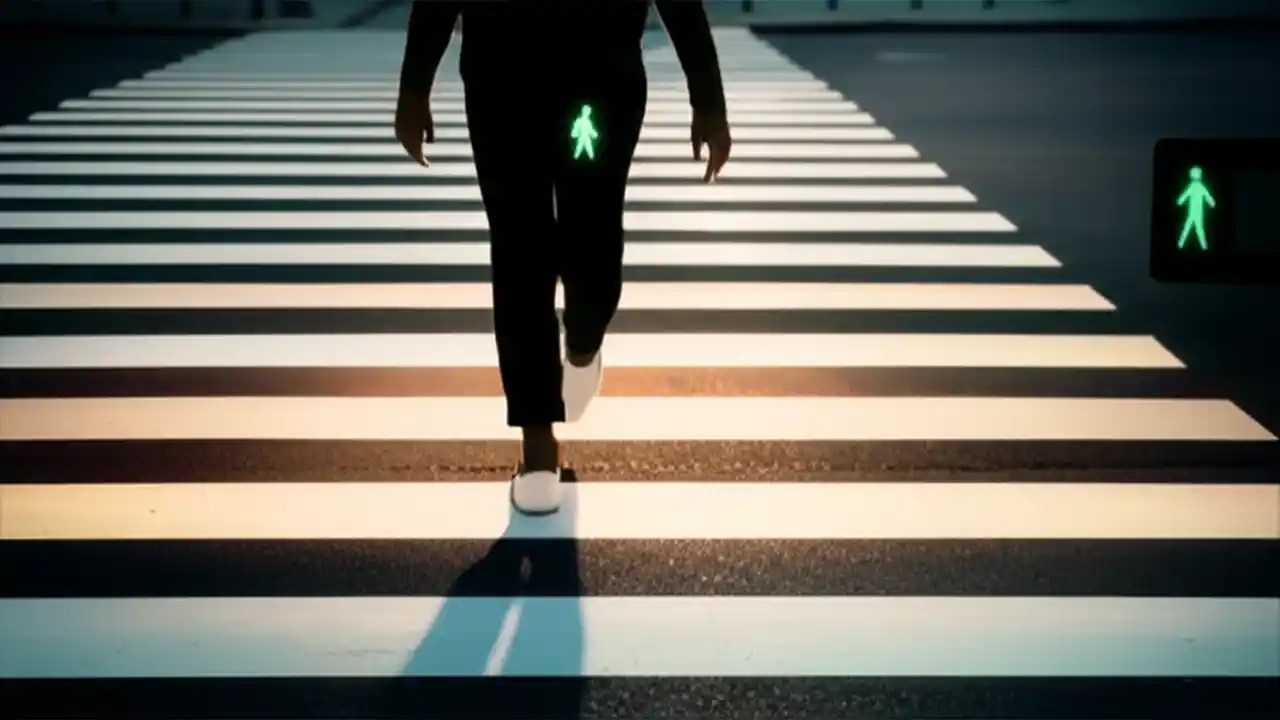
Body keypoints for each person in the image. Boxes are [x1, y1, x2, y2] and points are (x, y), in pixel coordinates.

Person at [395, 0, 732, 514]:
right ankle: (537, 444)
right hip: (501, 83)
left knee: (591, 232)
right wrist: (415, 86)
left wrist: (707, 97)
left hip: (598, 82)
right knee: (519, 249)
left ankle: (583, 335)